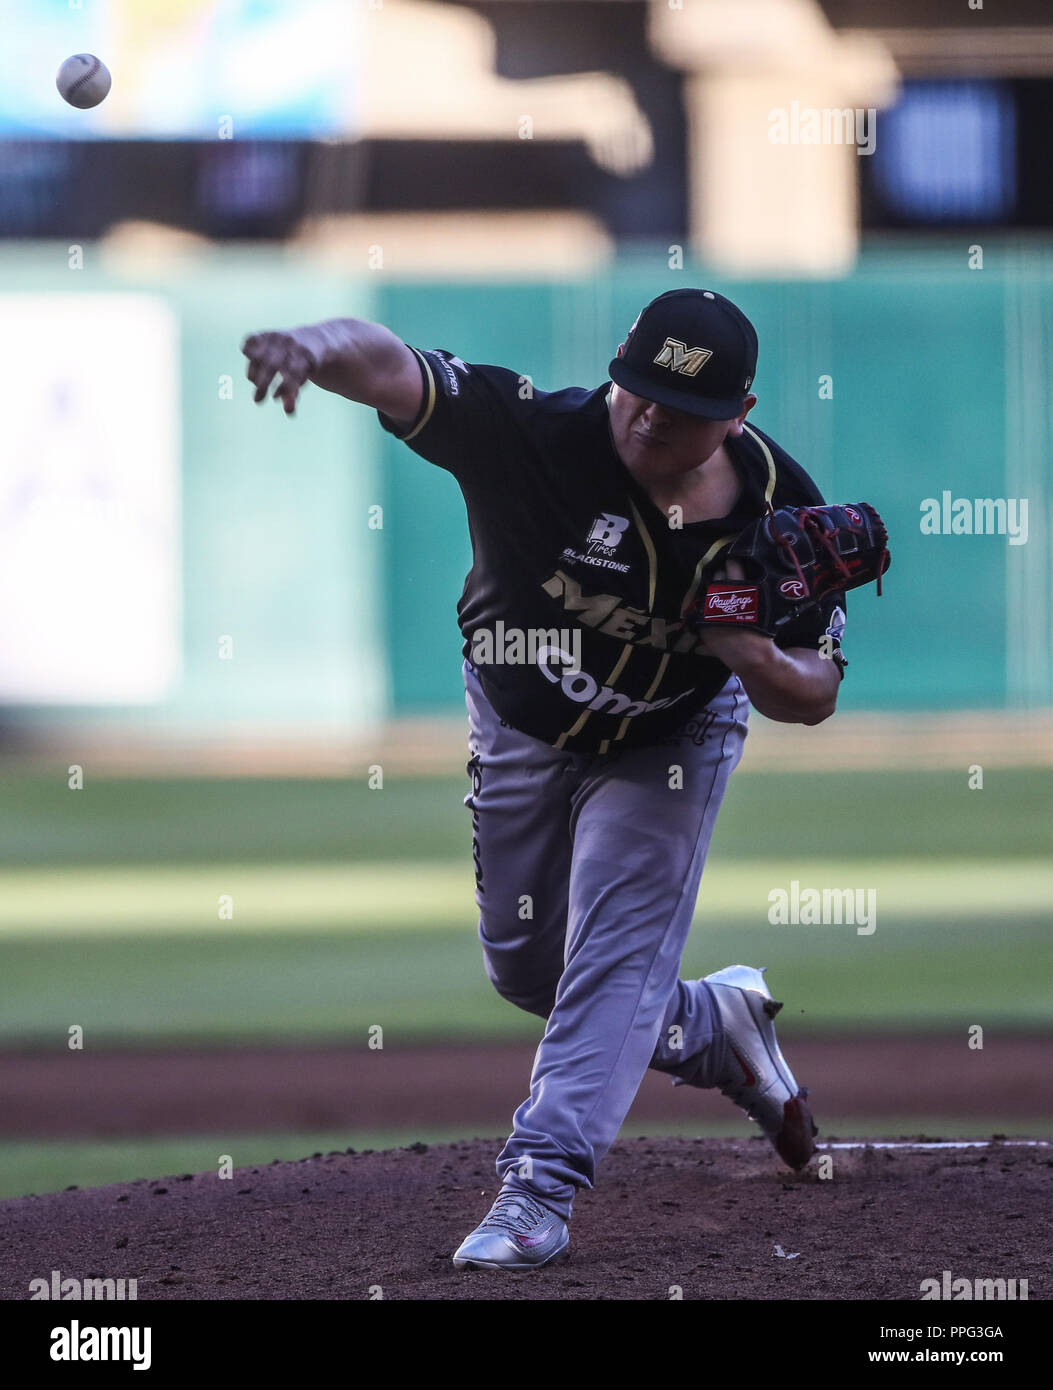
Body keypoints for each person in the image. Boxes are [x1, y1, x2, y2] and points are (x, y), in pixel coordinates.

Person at [242, 288, 846, 1273]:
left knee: (616, 945)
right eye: (639, 388)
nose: (649, 416)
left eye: (682, 409)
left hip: (671, 737)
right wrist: (312, 341)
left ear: (737, 415)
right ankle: (715, 1028)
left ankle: (539, 1185)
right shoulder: (528, 431)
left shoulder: (783, 509)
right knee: (527, 969)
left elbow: (813, 695)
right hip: (521, 721)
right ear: (617, 364)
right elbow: (392, 364)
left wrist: (752, 654)